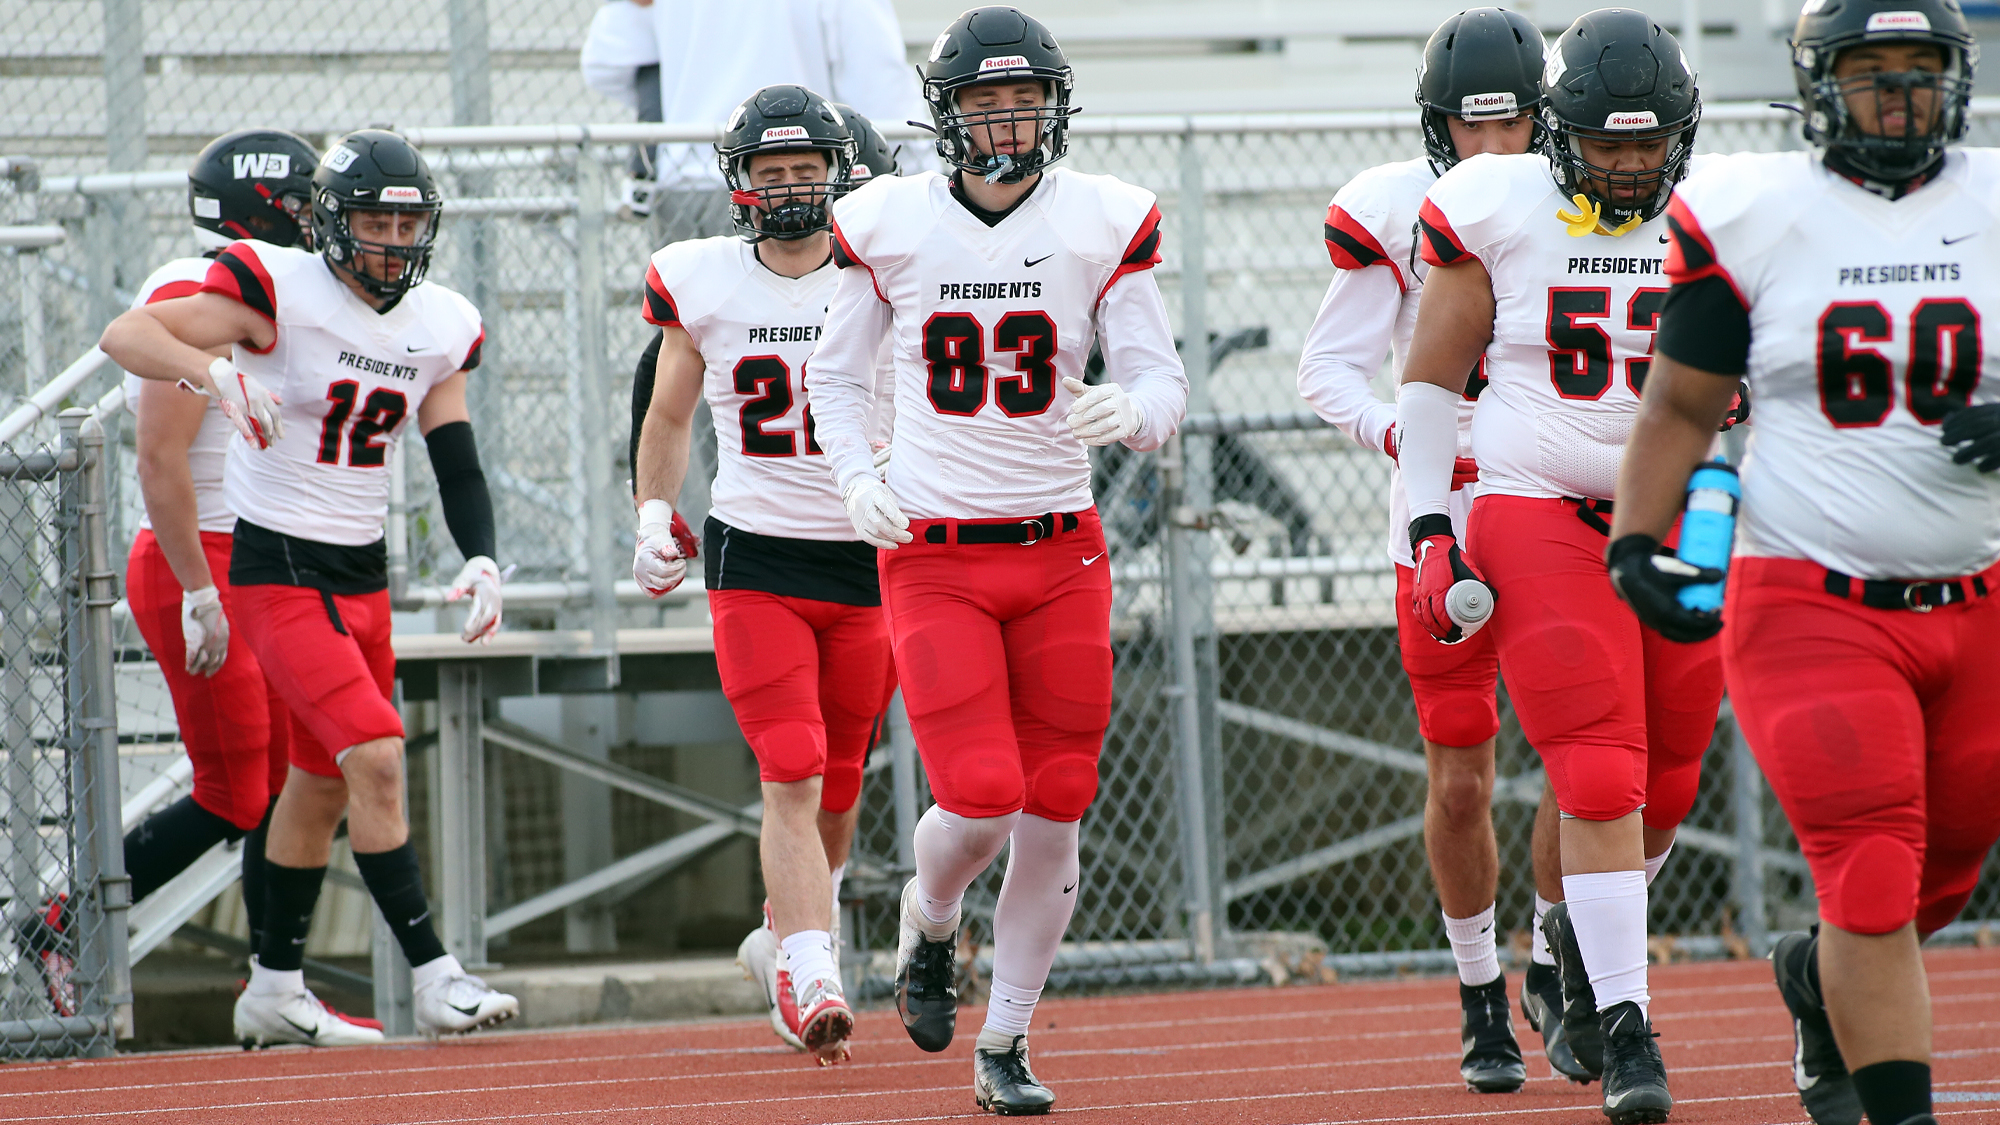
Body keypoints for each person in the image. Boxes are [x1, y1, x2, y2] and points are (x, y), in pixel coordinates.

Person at [1607, 4, 1998, 1125]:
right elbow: (1680, 402)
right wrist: (1636, 540)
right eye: (1868, 73)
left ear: (1951, 81)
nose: (1895, 95)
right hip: (1809, 596)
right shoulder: (1755, 213)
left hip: (1978, 598)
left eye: (1916, 71)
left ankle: (1813, 978)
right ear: (1819, 87)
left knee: (1945, 874)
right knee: (1870, 868)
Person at [804, 6, 1188, 1113]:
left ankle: (1007, 1043)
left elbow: (1162, 382)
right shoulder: (888, 221)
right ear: (947, 114)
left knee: (1058, 797)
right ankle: (928, 922)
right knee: (978, 796)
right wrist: (855, 479)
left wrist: (1135, 408)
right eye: (985, 102)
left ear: (1053, 108)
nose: (1007, 123)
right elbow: (833, 378)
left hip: (1062, 549)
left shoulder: (1099, 220)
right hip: (934, 552)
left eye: (1023, 102)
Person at [99, 129, 519, 1046]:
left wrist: (481, 557)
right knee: (374, 752)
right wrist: (209, 368)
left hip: (359, 575)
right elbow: (125, 333)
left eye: (409, 224)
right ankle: (436, 974)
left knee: (320, 782)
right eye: (374, 222)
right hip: (274, 570)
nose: (393, 243)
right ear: (329, 224)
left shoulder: (439, 319)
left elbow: (457, 459)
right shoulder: (279, 290)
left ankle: (273, 986)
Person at [1394, 11, 1726, 1123]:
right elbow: (1431, 382)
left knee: (1671, 777)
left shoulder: (1726, 213)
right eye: (1606, 144)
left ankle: (1570, 945)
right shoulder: (1498, 209)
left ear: (1681, 135)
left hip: (1680, 514)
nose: (1629, 165)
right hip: (1538, 510)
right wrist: (1429, 528)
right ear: (1555, 133)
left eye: (1647, 144)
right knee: (1596, 766)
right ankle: (1628, 1029)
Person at [1296, 7, 1582, 1092]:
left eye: (1513, 126)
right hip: (1446, 513)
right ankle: (1477, 993)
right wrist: (1412, 443)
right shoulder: (1393, 208)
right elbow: (1326, 374)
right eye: (1473, 128)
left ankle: (1557, 954)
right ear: (1437, 128)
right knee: (1460, 776)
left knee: (1580, 750)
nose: (1494, 151)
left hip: (1555, 501)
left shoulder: (1590, 199)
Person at [629, 87, 897, 1066]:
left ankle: (781, 938)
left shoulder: (884, 275)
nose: (789, 189)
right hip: (757, 555)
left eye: (805, 170)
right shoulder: (703, 279)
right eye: (770, 172)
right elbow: (663, 416)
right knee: (787, 766)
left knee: (837, 785)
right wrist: (653, 513)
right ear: (739, 182)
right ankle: (815, 972)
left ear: (841, 172)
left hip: (871, 557)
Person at [580, 0, 924, 235]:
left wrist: (680, 103)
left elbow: (606, 61)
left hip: (685, 178)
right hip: (792, 180)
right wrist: (917, 177)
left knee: (695, 335)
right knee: (800, 330)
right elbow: (877, 82)